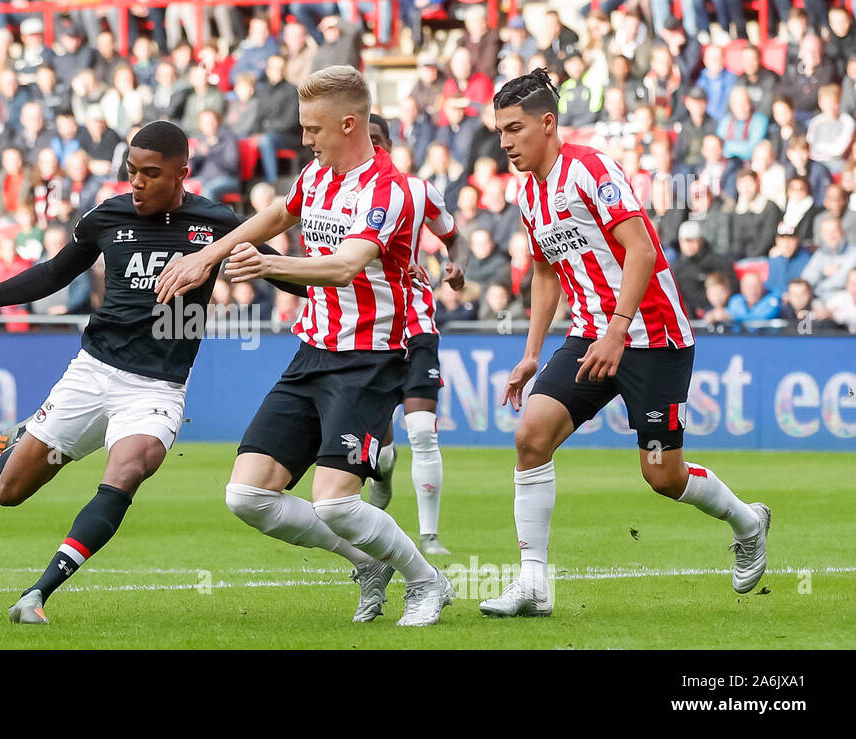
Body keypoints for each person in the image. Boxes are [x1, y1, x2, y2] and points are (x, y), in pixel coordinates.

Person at [0, 121, 301, 625]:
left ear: (181, 174)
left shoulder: (216, 224)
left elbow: (280, 270)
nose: (137, 183)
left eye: (150, 173)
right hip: (93, 373)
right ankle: (14, 442)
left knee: (127, 469)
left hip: (157, 389)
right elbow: (53, 274)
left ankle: (37, 595)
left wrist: (349, 281)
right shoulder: (107, 216)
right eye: (131, 172)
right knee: (7, 491)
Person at [155, 66, 456, 627]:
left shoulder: (388, 189)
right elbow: (278, 213)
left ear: (348, 124)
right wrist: (208, 255)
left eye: (313, 128)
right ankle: (368, 560)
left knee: (335, 500)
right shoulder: (318, 174)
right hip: (312, 351)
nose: (305, 139)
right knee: (247, 496)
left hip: (370, 358)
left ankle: (427, 582)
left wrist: (266, 262)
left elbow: (344, 268)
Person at [483, 69, 770, 618]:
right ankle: (533, 586)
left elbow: (639, 250)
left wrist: (619, 331)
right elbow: (546, 273)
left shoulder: (591, 169)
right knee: (530, 437)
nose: (505, 143)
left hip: (652, 336)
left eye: (515, 129)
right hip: (591, 334)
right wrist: (530, 353)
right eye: (500, 131)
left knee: (662, 474)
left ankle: (748, 521)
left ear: (548, 123)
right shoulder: (529, 195)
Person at [360, 114, 468, 555]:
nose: (371, 147)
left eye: (377, 139)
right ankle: (382, 478)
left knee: (423, 430)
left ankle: (429, 536)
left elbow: (453, 237)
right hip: (365, 331)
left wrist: (456, 266)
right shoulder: (334, 193)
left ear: (390, 142)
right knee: (380, 452)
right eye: (363, 140)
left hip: (416, 324)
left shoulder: (418, 190)